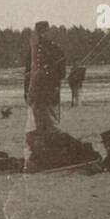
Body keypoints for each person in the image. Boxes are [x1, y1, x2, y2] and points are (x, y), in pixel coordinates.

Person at [27, 20, 66, 149]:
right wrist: (27, 92)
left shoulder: (56, 49)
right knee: (39, 126)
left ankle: (57, 150)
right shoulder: (32, 51)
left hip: (49, 92)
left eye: (43, 33)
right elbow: (28, 73)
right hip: (36, 93)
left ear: (48, 32)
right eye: (39, 33)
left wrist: (48, 76)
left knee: (51, 124)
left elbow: (61, 74)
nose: (41, 36)